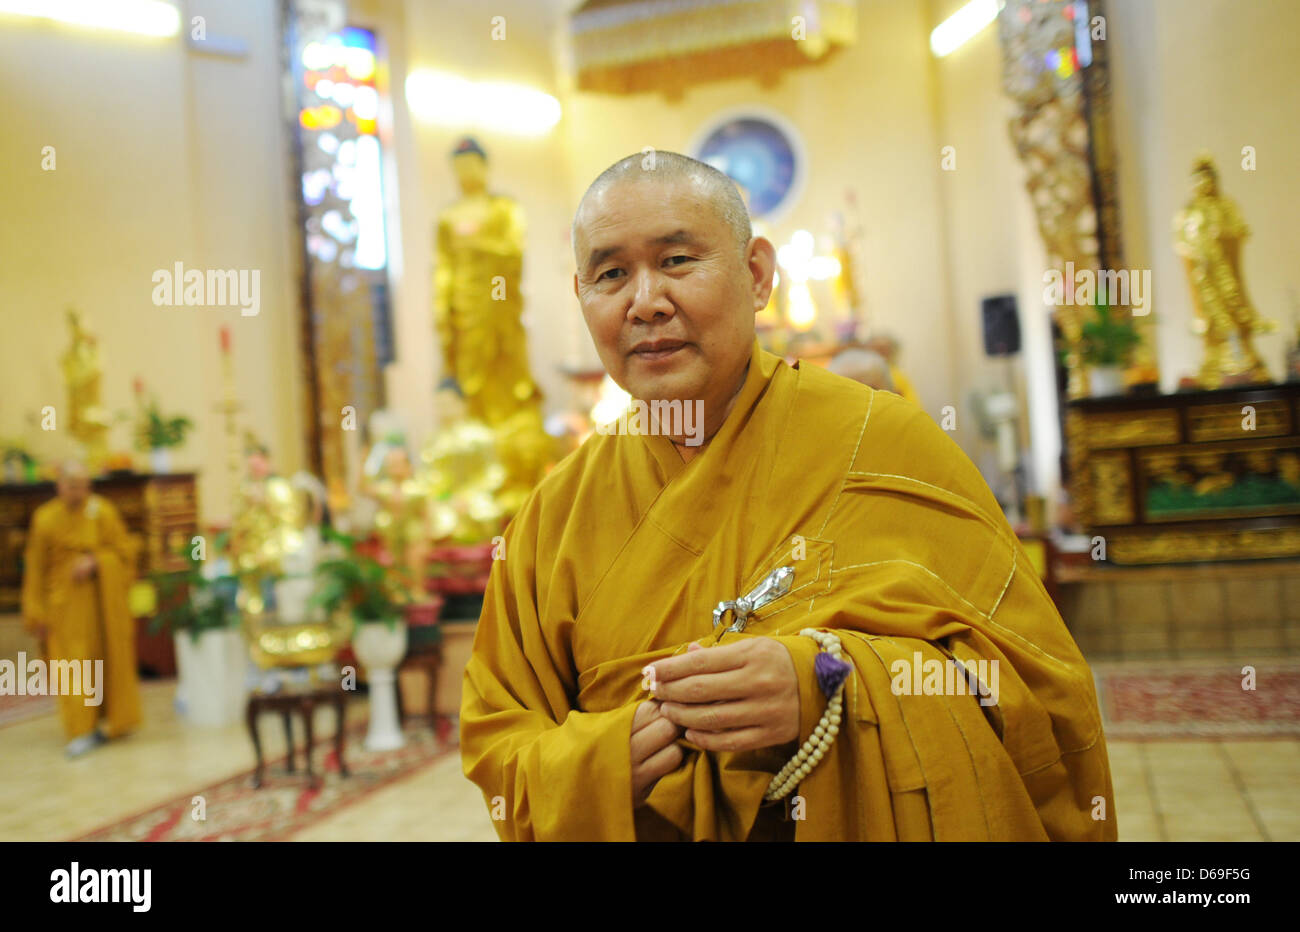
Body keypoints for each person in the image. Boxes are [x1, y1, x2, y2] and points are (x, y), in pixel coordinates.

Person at [460, 150, 1114, 841]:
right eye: (611, 274)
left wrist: (828, 683)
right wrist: (596, 764)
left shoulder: (881, 442)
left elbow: (1038, 694)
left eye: (677, 261)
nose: (644, 301)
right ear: (582, 296)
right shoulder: (553, 517)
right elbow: (500, 740)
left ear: (756, 274)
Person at [21, 459, 142, 757]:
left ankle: (110, 721)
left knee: (103, 661)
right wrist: (35, 610)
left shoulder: (102, 511)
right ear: (60, 485)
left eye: (85, 486)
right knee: (71, 667)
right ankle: (81, 730)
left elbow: (125, 553)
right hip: (62, 606)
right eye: (73, 486)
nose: (79, 493)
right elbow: (35, 568)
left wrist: (97, 561)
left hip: (101, 605)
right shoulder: (45, 518)